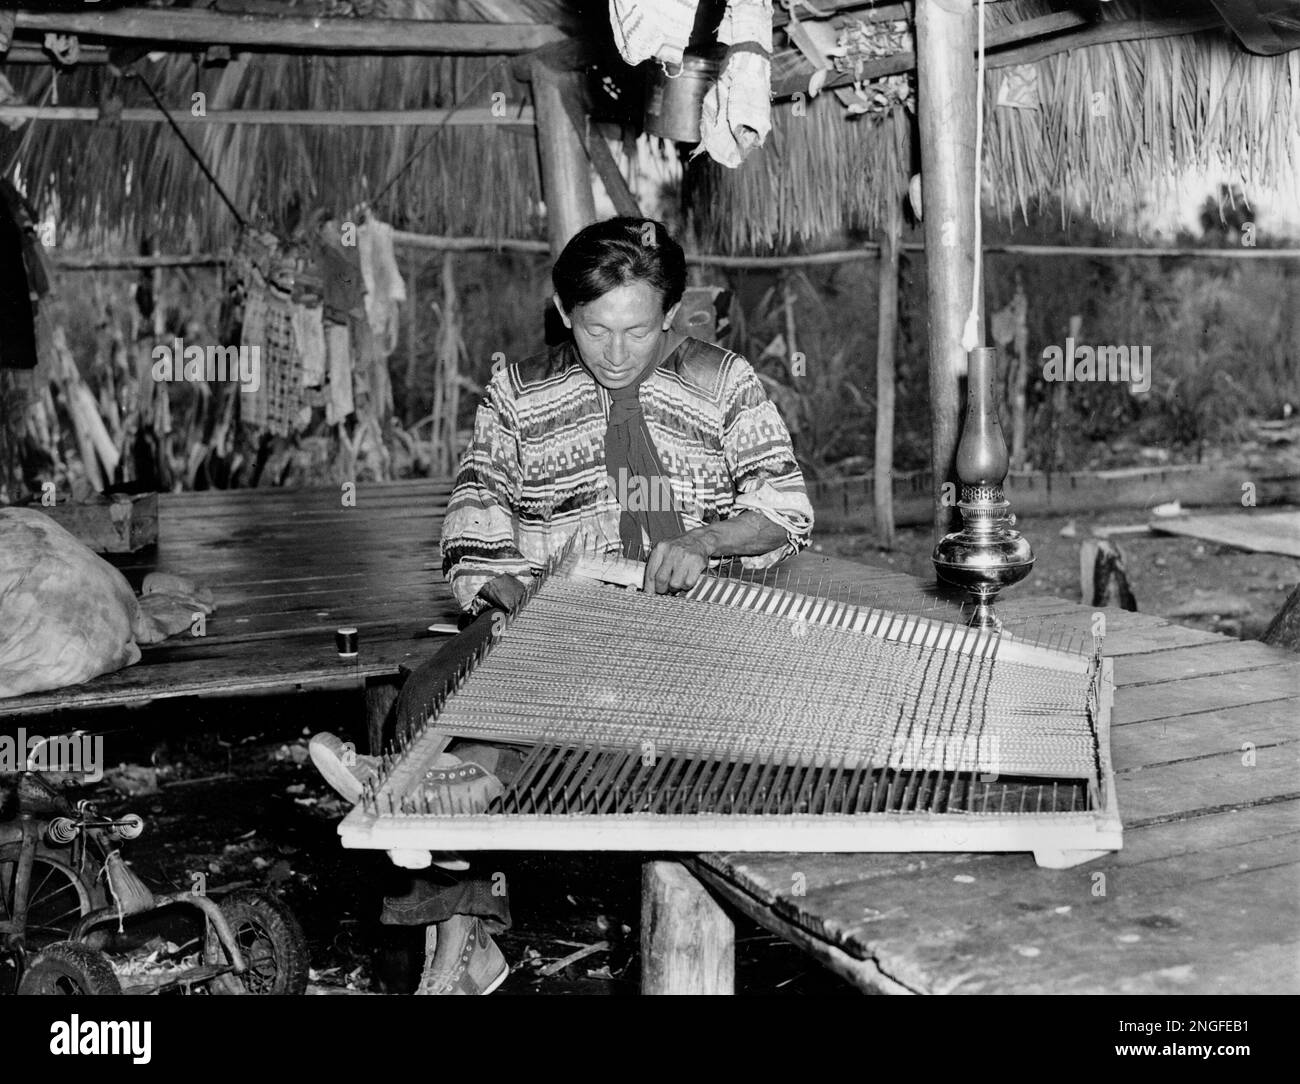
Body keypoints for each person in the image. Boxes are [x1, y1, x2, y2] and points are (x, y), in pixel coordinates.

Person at [311, 216, 813, 994]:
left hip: (690, 626)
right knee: (428, 688)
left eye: (637, 331)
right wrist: (507, 583)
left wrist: (707, 543)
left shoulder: (723, 382)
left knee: (566, 688)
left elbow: (783, 506)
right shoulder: (523, 389)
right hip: (552, 611)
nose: (615, 353)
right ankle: (461, 920)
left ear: (670, 314)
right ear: (563, 310)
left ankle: (453, 791)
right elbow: (477, 500)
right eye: (594, 328)